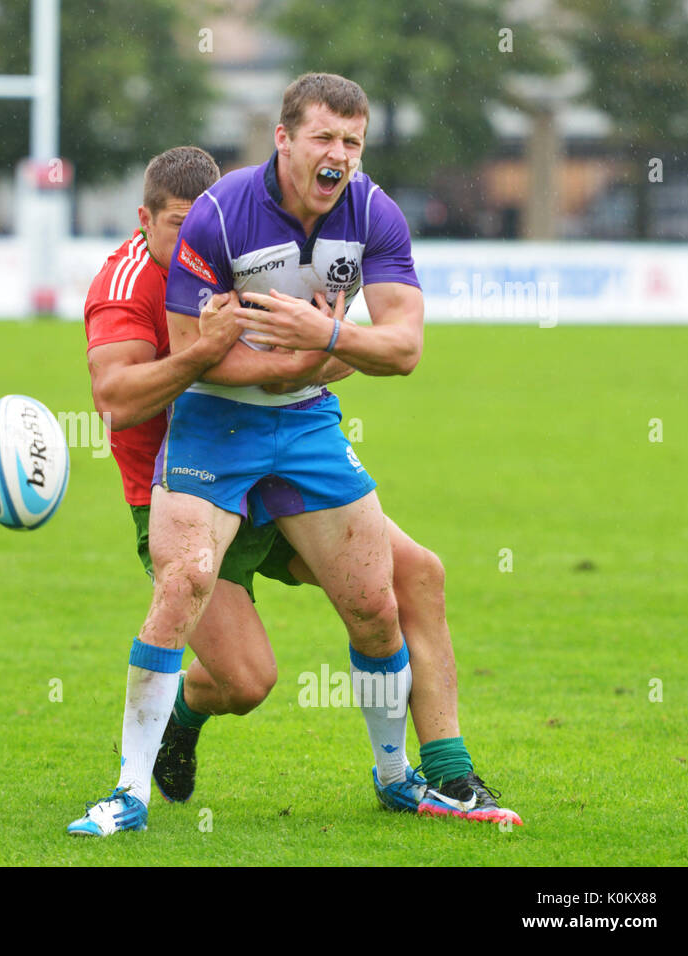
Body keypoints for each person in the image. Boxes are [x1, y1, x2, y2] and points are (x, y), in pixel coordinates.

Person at [68, 78, 519, 837]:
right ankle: (140, 774)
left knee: (403, 583)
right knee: (242, 674)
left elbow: (394, 349)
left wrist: (325, 342)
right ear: (283, 140)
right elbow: (121, 395)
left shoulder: (365, 214)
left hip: (298, 435)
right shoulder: (148, 268)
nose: (339, 154)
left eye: (352, 142)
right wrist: (275, 354)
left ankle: (436, 773)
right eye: (324, 138)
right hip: (194, 461)